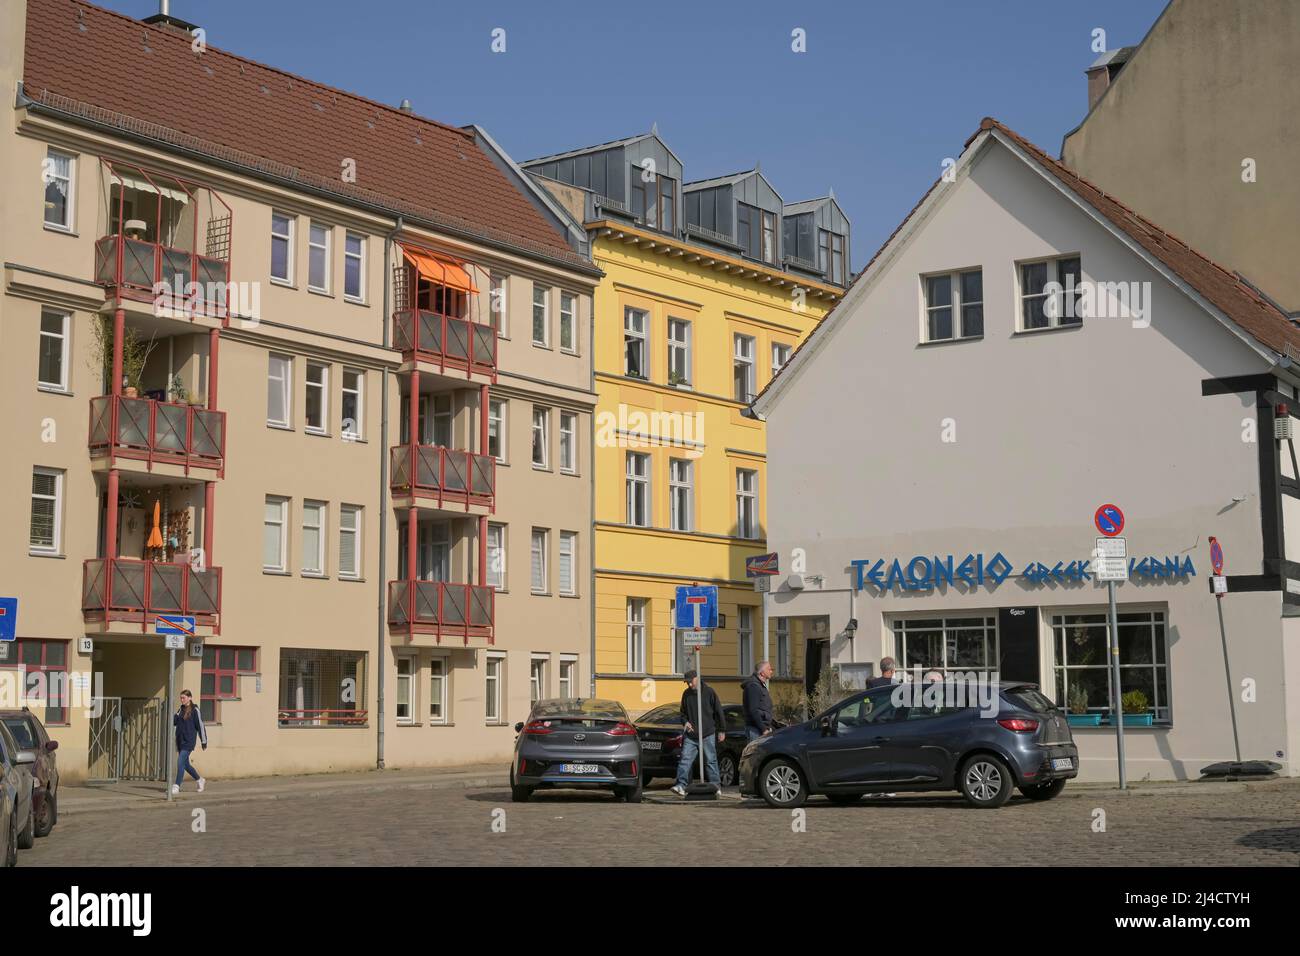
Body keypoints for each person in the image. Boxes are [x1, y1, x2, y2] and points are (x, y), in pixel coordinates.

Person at [671, 670, 725, 796]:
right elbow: (682, 713)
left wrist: (722, 730)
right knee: (685, 760)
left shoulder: (709, 692)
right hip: (691, 735)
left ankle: (716, 786)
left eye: (691, 682)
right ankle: (681, 785)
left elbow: (718, 712)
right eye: (687, 683)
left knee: (711, 761)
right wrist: (685, 723)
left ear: (697, 678)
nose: (689, 685)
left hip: (708, 733)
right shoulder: (686, 694)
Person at [172, 689, 207, 795]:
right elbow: (175, 722)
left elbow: (200, 725)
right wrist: (175, 715)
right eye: (181, 698)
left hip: (189, 741)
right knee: (185, 764)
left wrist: (204, 741)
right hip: (180, 741)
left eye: (184, 697)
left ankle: (176, 785)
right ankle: (200, 779)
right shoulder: (180, 709)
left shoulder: (195, 709)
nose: (182, 699)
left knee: (180, 762)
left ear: (190, 698)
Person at [741, 660, 775, 740]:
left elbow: (764, 708)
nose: (771, 671)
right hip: (756, 730)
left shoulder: (760, 685)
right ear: (762, 673)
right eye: (769, 669)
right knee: (757, 752)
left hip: (761, 728)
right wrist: (763, 729)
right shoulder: (753, 686)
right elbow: (753, 710)